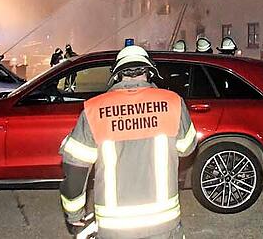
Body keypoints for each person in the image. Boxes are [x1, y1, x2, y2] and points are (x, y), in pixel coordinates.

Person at [59, 44, 197, 239]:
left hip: (114, 228)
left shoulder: (94, 109)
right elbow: (187, 148)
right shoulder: (172, 102)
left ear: (117, 75)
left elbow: (74, 170)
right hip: (163, 225)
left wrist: (75, 215)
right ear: (149, 73)